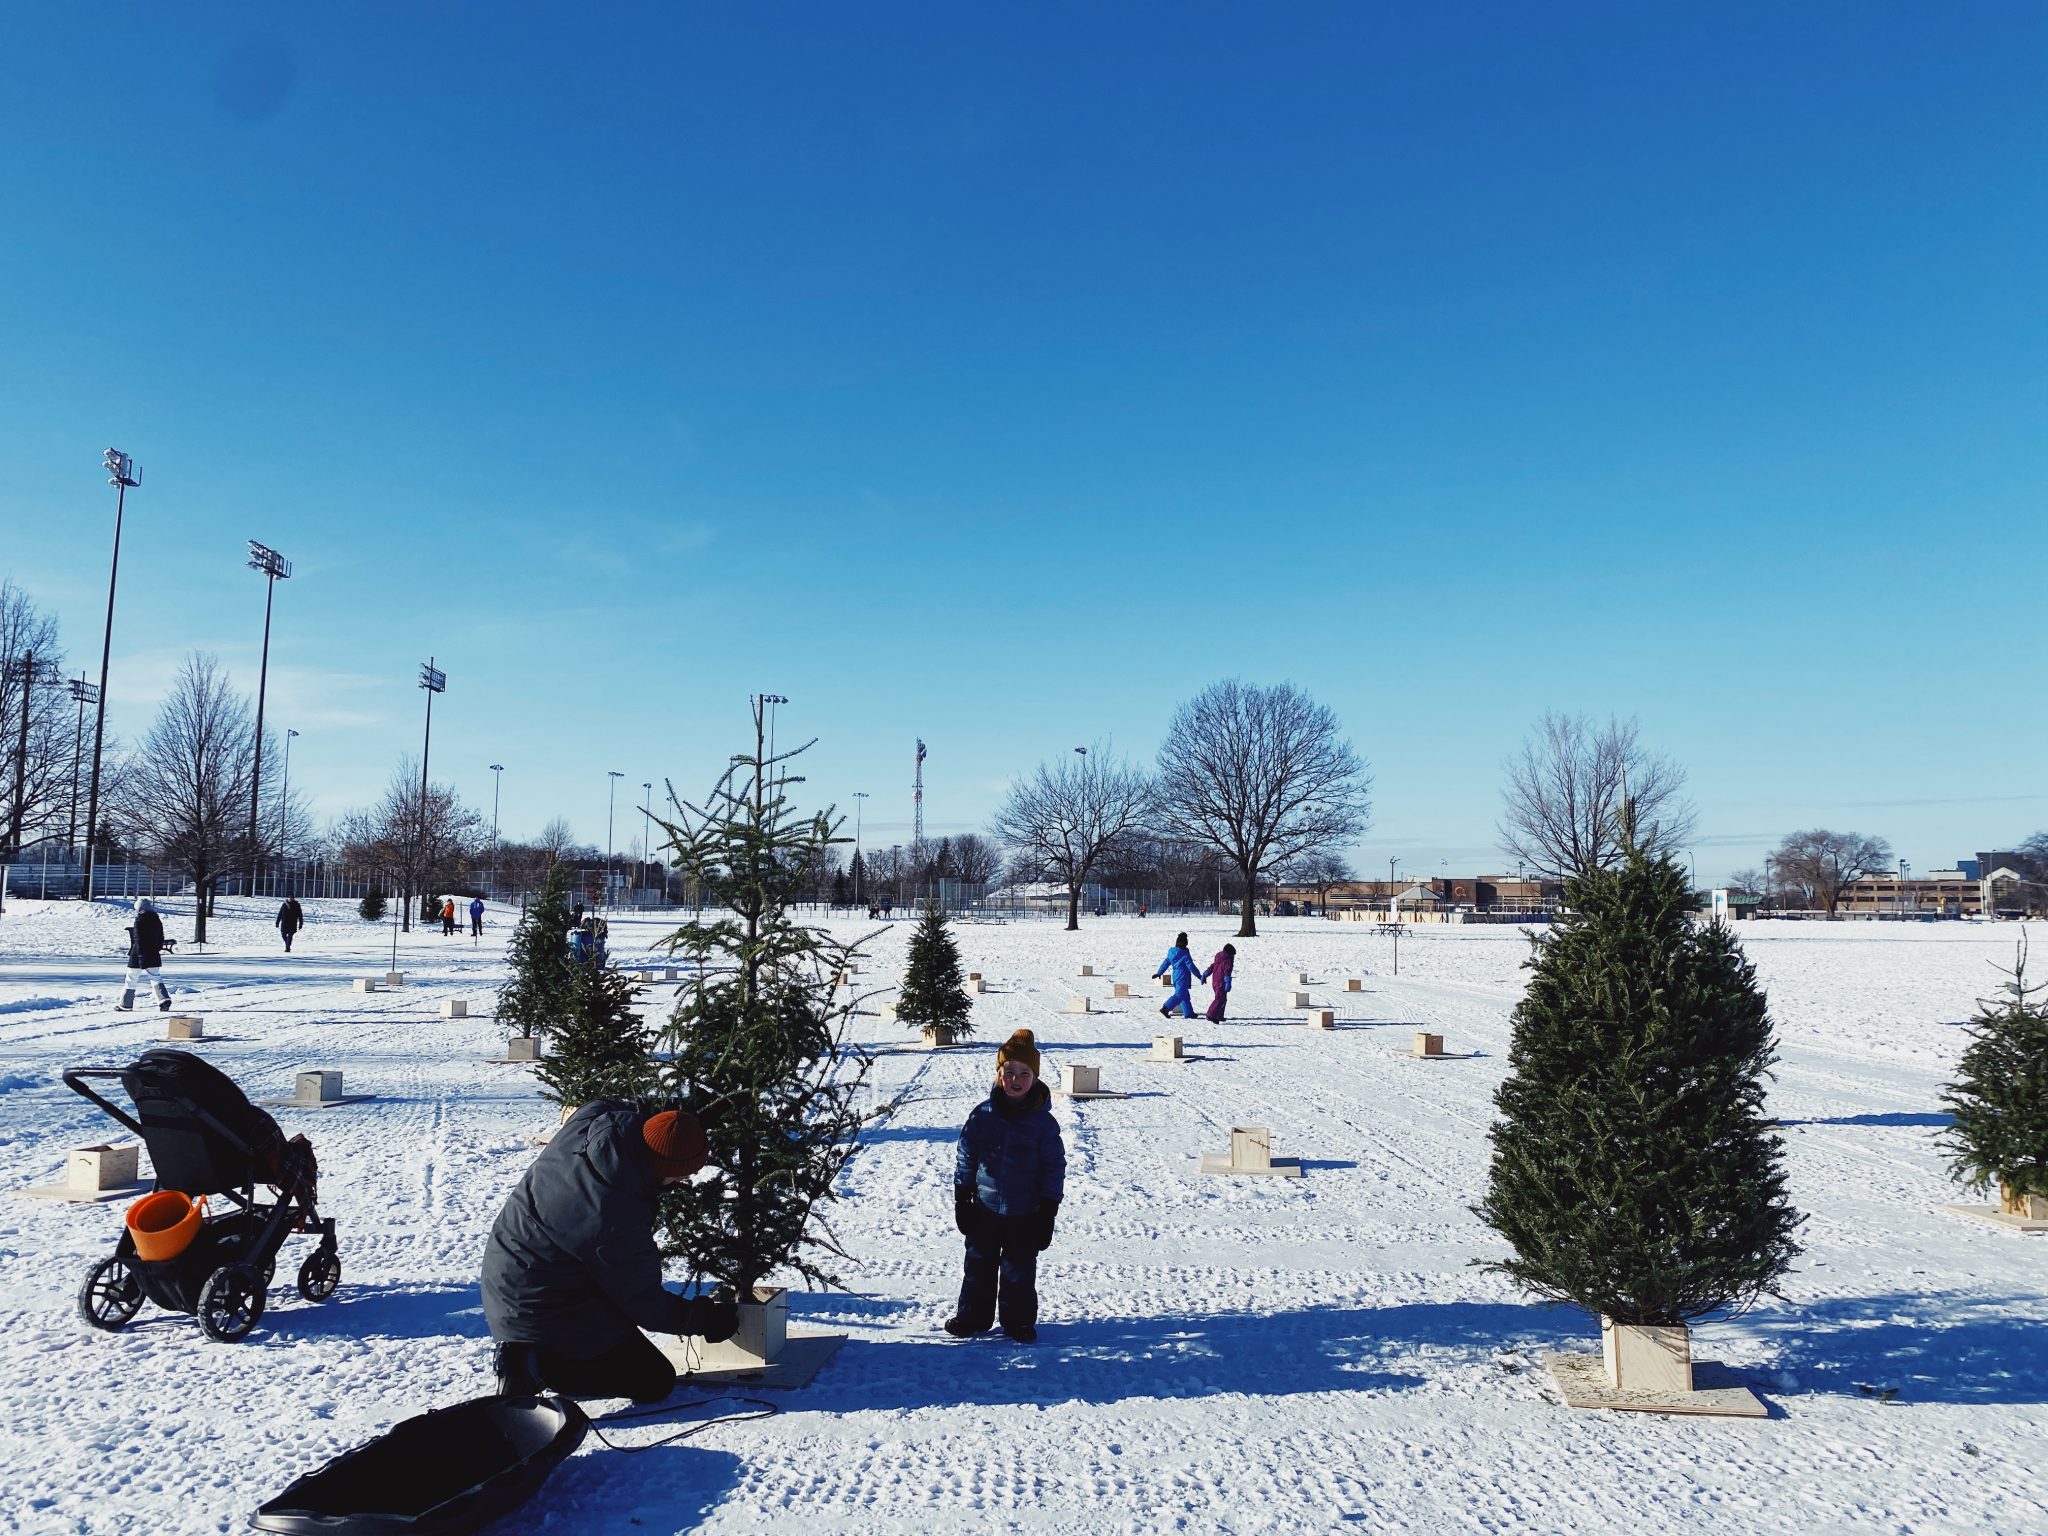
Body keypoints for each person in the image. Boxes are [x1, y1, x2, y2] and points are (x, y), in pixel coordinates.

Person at [485, 1103, 739, 1401]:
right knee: (654, 1381)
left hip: (515, 1266)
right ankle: (533, 1365)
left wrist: (683, 1121)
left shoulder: (595, 1121)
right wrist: (703, 1320)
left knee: (619, 1328)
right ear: (666, 1171)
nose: (681, 1183)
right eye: (680, 1177)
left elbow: (607, 1103)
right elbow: (643, 1301)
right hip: (538, 1308)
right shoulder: (613, 1215)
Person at [946, 1030, 1065, 1343]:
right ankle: (972, 1316)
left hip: (1025, 1211)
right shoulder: (982, 1115)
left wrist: (1047, 1211)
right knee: (978, 1265)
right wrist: (962, 1197)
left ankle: (1018, 1322)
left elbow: (1054, 1167)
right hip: (984, 1207)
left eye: (1024, 1073)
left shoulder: (1043, 1123)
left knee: (1019, 1270)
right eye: (1009, 1071)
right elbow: (966, 1155)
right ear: (998, 1075)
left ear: (1035, 1079)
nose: (1016, 1079)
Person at [119, 897, 176, 1012]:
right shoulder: (156, 919)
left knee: (131, 978)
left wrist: (140, 955)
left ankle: (126, 1004)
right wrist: (156, 948)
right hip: (153, 953)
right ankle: (164, 999)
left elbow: (138, 939)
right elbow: (161, 937)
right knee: (155, 977)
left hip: (138, 954)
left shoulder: (140, 920)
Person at [1154, 931, 1202, 1020]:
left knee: (1184, 995)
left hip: (1176, 976)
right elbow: (1191, 966)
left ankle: (1188, 1013)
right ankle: (1165, 1008)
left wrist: (1159, 972)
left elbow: (1166, 963)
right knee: (1180, 995)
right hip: (1182, 976)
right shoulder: (1184, 953)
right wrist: (1199, 976)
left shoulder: (1171, 952)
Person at [1204, 942, 1236, 1022]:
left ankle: (1219, 1015)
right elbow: (1227, 972)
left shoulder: (1219, 958)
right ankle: (1211, 1014)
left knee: (1223, 999)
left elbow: (1212, 967)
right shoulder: (1228, 961)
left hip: (1215, 981)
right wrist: (1228, 982)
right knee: (1219, 999)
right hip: (1221, 982)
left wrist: (1205, 974)